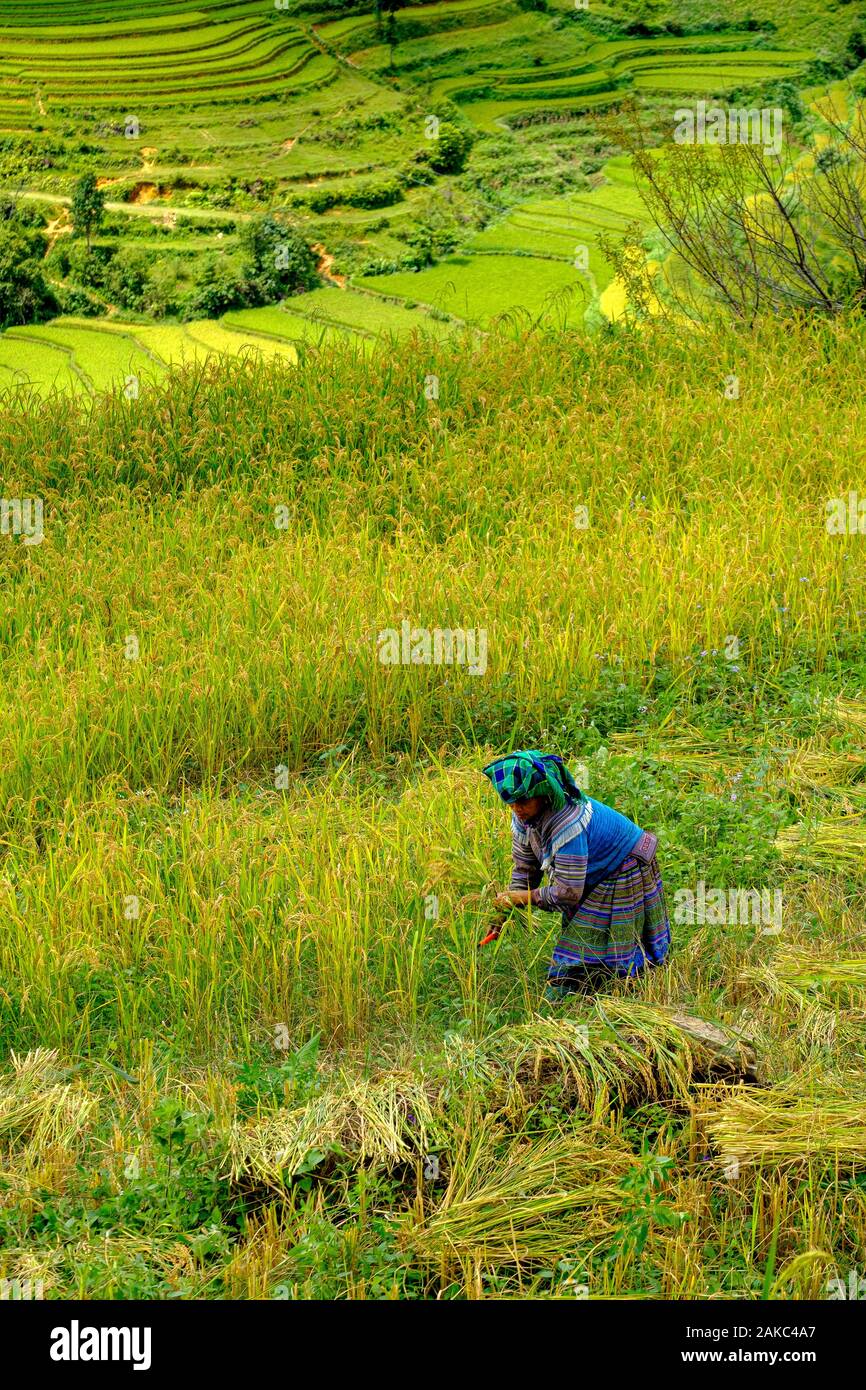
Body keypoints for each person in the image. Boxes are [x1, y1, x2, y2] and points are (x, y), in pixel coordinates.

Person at [482, 749, 670, 998]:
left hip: (622, 868)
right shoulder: (524, 820)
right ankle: (591, 987)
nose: (517, 808)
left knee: (604, 951)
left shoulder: (568, 824)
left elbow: (567, 893)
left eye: (524, 801)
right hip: (590, 874)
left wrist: (520, 898)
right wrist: (504, 909)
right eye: (511, 803)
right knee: (588, 948)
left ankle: (622, 990)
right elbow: (525, 870)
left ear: (544, 795)